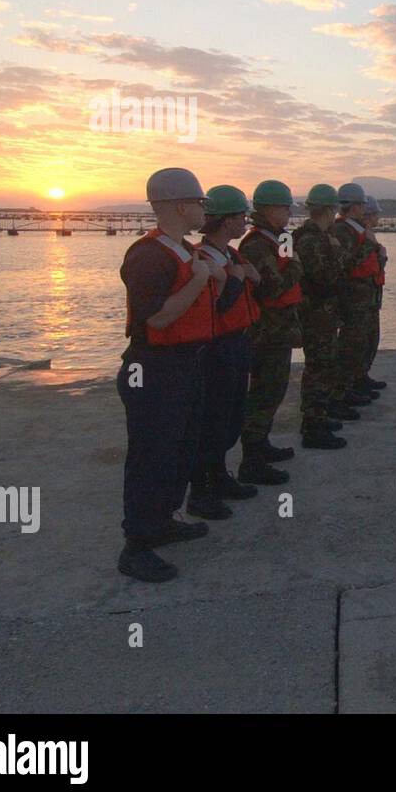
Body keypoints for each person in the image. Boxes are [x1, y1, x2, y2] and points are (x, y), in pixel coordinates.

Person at [117, 167, 218, 583]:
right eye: (199, 202)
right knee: (151, 456)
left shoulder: (183, 249)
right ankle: (136, 545)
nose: (203, 210)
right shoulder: (148, 255)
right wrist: (199, 282)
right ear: (180, 205)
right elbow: (158, 319)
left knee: (181, 449)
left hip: (183, 365)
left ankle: (163, 520)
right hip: (153, 370)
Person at [187, 185, 262, 519]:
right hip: (216, 348)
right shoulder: (202, 258)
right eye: (241, 216)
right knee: (212, 419)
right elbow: (214, 306)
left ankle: (219, 476)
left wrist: (242, 274)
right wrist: (235, 278)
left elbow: (255, 281)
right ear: (225, 221)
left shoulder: (231, 256)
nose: (246, 221)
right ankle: (201, 492)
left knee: (232, 416)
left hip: (239, 341)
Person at [238, 180, 303, 484]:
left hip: (279, 329)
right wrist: (296, 266)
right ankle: (251, 460)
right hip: (265, 332)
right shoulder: (256, 244)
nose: (289, 213)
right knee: (264, 393)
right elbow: (271, 286)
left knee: (275, 390)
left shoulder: (275, 239)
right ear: (268, 209)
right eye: (285, 207)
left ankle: (261, 445)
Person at [293, 184, 351, 450]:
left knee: (324, 365)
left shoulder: (314, 236)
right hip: (317, 314)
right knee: (318, 367)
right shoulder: (312, 238)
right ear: (329, 210)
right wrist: (337, 250)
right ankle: (313, 426)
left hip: (322, 313)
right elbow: (323, 276)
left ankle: (319, 417)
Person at [331, 183, 379, 412]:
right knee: (349, 346)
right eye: (361, 205)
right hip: (352, 296)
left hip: (364, 294)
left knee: (362, 342)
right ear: (354, 206)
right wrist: (371, 246)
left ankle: (356, 382)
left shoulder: (355, 229)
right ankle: (342, 391)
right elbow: (347, 263)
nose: (364, 209)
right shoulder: (343, 230)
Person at [356, 194, 389, 396]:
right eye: (376, 215)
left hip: (369, 298)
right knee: (357, 345)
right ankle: (352, 385)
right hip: (359, 300)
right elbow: (352, 266)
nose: (378, 219)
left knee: (369, 341)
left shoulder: (365, 235)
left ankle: (362, 377)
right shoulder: (356, 236)